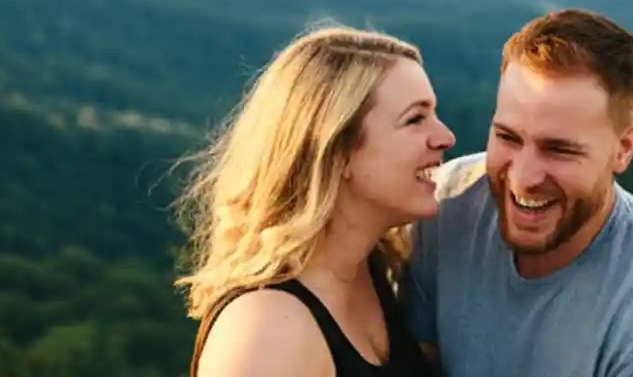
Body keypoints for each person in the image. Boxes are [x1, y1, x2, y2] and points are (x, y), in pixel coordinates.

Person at [404, 8, 633, 376]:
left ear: (624, 148)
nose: (523, 178)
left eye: (559, 150)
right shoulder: (447, 206)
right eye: (507, 137)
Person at [178, 26, 454, 377]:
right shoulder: (268, 333)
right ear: (336, 152)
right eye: (415, 119)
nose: (445, 137)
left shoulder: (374, 273)